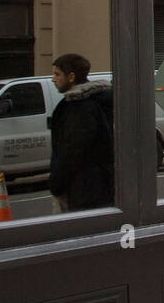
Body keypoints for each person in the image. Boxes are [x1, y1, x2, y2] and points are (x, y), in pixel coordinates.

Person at [48, 53, 114, 212]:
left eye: (57, 74)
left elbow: (72, 151)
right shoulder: (94, 101)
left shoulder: (80, 108)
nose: (53, 79)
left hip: (84, 189)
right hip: (96, 186)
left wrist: (56, 183)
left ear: (71, 77)